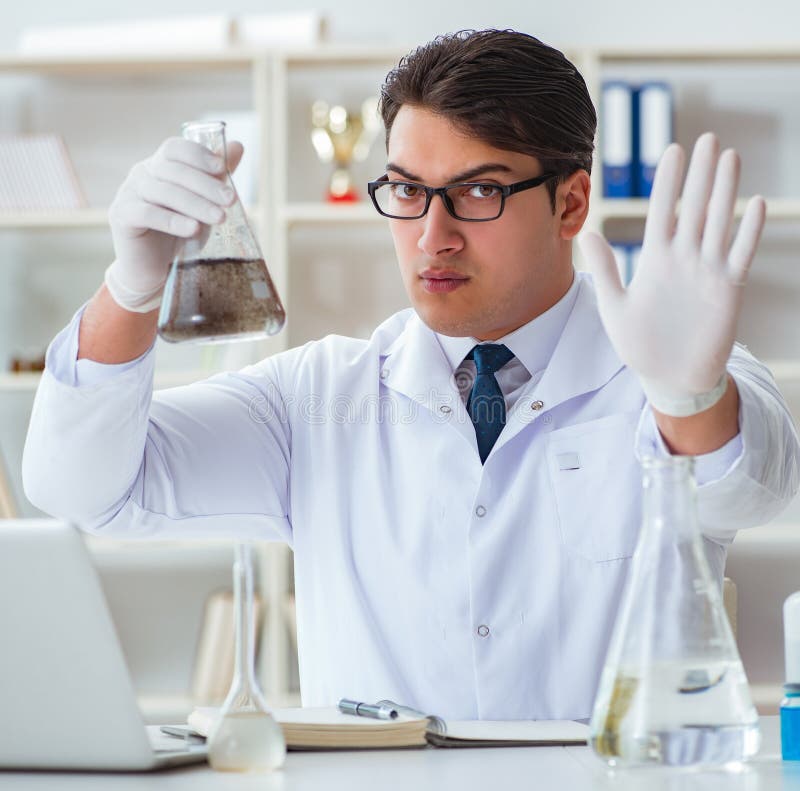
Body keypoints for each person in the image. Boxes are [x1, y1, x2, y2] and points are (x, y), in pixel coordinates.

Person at [23, 29, 800, 721]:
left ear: (571, 203)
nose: (434, 235)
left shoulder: (675, 371)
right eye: (407, 191)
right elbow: (85, 489)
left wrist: (684, 397)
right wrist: (129, 288)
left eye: (478, 191)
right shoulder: (317, 399)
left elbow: (750, 483)